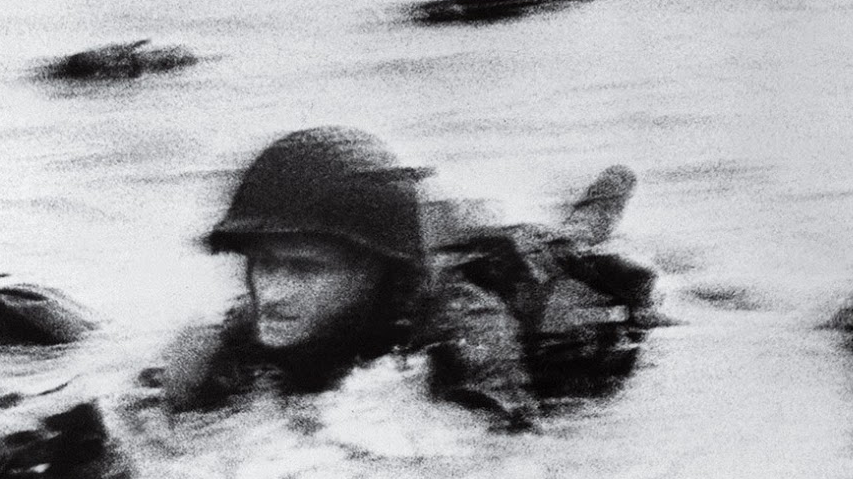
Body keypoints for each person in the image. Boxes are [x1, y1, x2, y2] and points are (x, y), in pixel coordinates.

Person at [140, 127, 660, 431]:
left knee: (574, 248)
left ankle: (601, 205)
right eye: (263, 262)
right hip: (433, 249)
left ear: (377, 268)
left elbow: (509, 461)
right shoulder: (258, 315)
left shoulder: (464, 323)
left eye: (305, 268)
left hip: (540, 299)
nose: (271, 291)